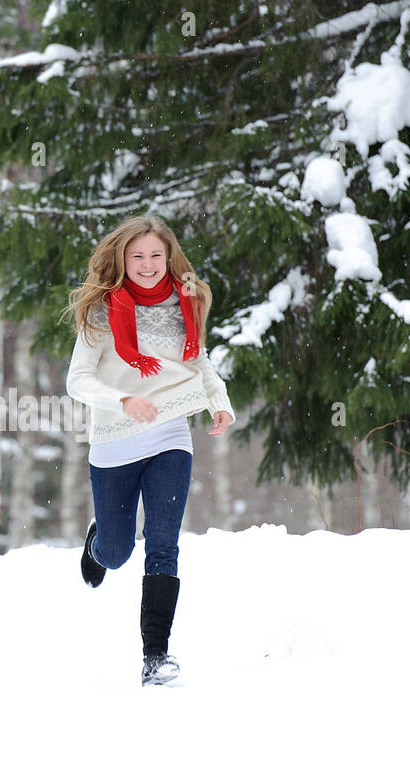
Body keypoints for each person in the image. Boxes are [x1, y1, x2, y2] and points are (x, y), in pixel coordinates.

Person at [65, 215, 234, 685]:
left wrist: (219, 404)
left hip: (171, 435)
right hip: (114, 439)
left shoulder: (187, 303)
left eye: (156, 255)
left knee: (163, 545)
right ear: (122, 259)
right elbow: (77, 380)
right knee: (119, 553)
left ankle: (155, 656)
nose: (147, 264)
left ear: (169, 257)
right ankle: (100, 541)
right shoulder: (102, 311)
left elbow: (198, 361)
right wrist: (121, 399)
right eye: (137, 256)